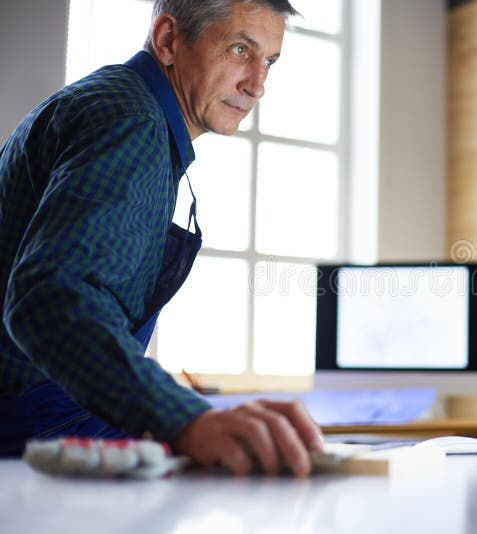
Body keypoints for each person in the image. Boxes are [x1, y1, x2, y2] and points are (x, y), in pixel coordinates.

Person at [0, 0, 323, 476]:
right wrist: (185, 417)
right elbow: (48, 296)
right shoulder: (132, 123)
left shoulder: (119, 103)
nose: (257, 86)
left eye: (269, 62)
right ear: (169, 40)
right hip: (30, 428)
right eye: (239, 50)